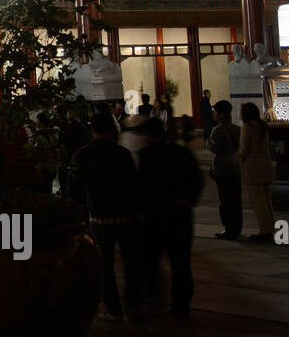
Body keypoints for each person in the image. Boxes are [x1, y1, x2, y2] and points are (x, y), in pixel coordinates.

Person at [71, 112, 143, 321]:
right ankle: (133, 304)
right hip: (126, 216)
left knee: (105, 265)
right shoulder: (122, 153)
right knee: (131, 263)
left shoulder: (82, 154)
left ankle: (112, 307)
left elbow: (74, 186)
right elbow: (134, 184)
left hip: (99, 217)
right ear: (111, 130)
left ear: (92, 129)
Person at [137, 117, 203, 316]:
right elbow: (197, 180)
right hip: (180, 215)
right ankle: (181, 305)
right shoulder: (181, 152)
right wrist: (186, 201)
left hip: (154, 217)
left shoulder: (145, 155)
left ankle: (152, 301)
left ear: (148, 136)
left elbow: (140, 187)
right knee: (181, 262)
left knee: (151, 261)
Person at [238, 102, 278, 243]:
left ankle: (265, 231)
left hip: (253, 169)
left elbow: (244, 149)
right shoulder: (263, 127)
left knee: (258, 203)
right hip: (265, 167)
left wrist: (235, 159)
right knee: (266, 201)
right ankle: (270, 229)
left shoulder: (247, 128)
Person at [206, 100, 243, 240]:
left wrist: (207, 142)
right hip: (235, 167)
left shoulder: (218, 130)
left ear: (221, 114)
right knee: (236, 199)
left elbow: (212, 147)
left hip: (222, 167)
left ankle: (229, 228)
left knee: (225, 200)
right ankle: (237, 227)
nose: (213, 115)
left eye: (215, 112)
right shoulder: (236, 128)